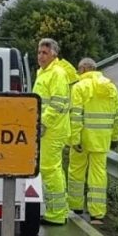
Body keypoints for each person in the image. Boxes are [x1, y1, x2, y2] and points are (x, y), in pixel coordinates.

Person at [67, 57, 118, 225]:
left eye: (78, 70)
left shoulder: (79, 87)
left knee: (76, 172)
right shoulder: (110, 86)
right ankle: (97, 214)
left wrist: (74, 139)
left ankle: (75, 207)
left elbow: (75, 116)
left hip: (82, 139)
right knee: (98, 175)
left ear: (83, 69)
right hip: (102, 138)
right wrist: (115, 137)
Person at [32, 38, 79, 225]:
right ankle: (57, 210)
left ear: (54, 54)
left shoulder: (57, 73)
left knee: (50, 169)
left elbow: (58, 104)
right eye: (39, 52)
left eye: (45, 53)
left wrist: (43, 123)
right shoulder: (44, 72)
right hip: (48, 128)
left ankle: (57, 213)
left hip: (52, 129)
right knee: (51, 169)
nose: (40, 56)